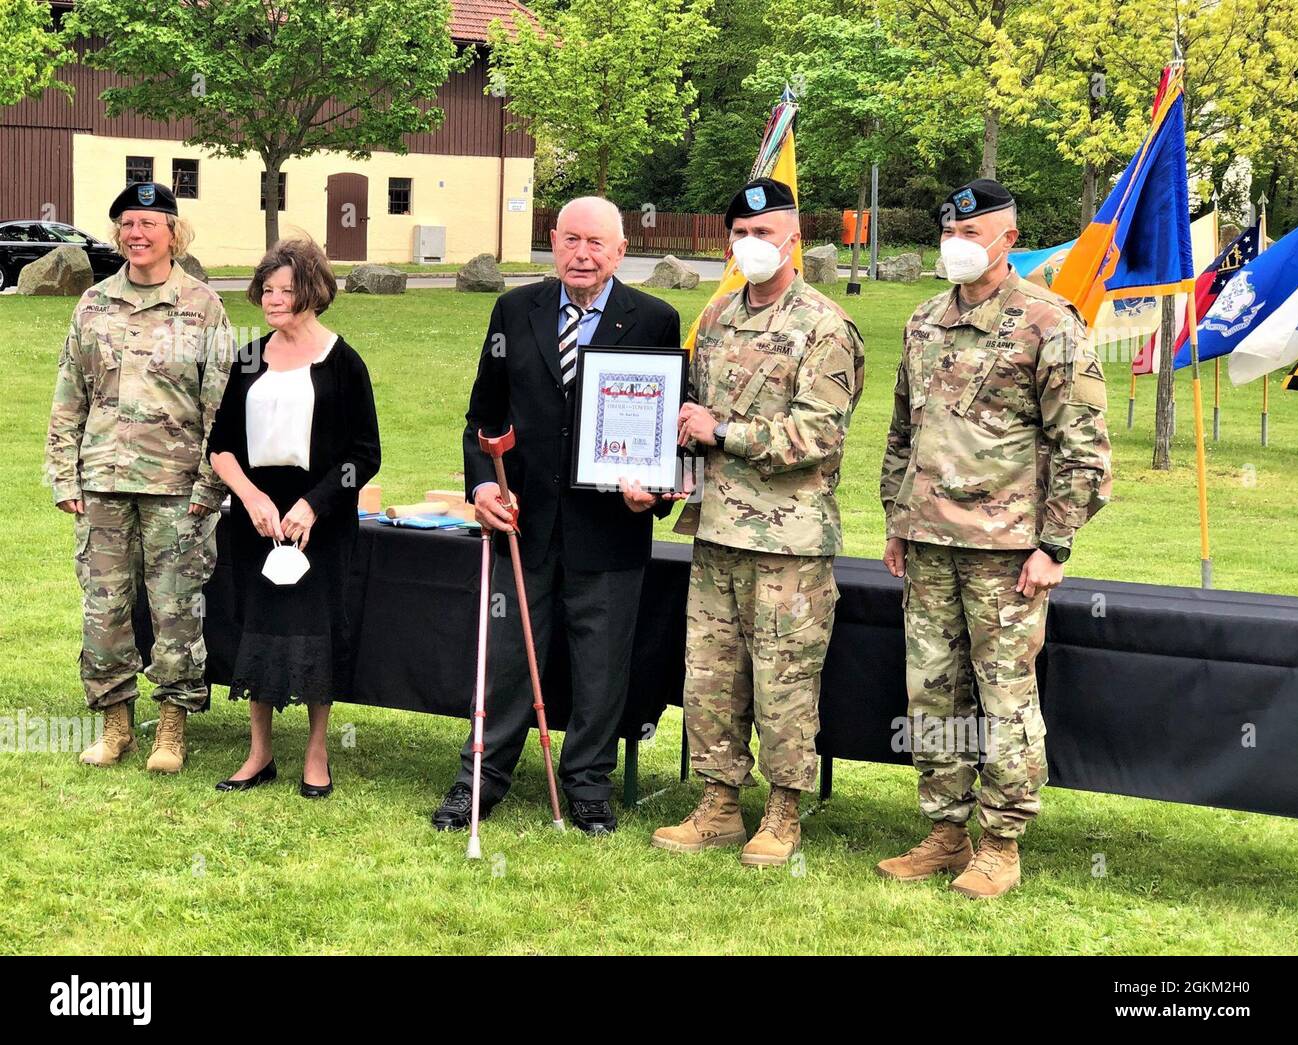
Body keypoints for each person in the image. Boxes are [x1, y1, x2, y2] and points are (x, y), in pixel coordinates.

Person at [876, 178, 1112, 898]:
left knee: (1004, 697)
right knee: (933, 694)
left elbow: (1085, 449)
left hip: (1007, 553)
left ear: (1009, 241)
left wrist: (1055, 545)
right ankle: (946, 830)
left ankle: (1001, 842)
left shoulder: (1049, 322)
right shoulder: (923, 321)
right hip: (926, 544)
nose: (957, 246)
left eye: (971, 235)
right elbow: (902, 431)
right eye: (950, 234)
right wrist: (896, 517)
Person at [431, 196, 681, 835]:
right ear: (553, 241)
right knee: (509, 656)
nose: (583, 254)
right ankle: (480, 779)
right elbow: (482, 417)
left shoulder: (655, 318)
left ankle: (589, 786)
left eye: (597, 243)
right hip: (522, 523)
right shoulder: (516, 309)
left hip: (610, 529)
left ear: (621, 251)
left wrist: (650, 490)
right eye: (571, 240)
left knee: (601, 665)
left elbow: (666, 428)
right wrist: (483, 485)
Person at [651, 178, 865, 867]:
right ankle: (718, 801)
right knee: (710, 675)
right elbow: (689, 418)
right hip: (715, 530)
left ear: (793, 239)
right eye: (741, 234)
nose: (752, 245)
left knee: (784, 679)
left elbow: (817, 435)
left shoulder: (825, 326)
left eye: (765, 233)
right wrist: (667, 458)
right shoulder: (715, 319)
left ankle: (783, 809)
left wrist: (723, 432)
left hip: (789, 539)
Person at [47, 181, 234, 773]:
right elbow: (69, 395)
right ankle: (116, 725)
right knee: (105, 609)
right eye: (126, 224)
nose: (136, 234)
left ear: (173, 233)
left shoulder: (203, 307)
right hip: (101, 480)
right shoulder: (93, 303)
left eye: (149, 224)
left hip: (177, 487)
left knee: (177, 609)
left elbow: (221, 407)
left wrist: (211, 484)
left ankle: (172, 729)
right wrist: (64, 475)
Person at [206, 237, 380, 799]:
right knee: (256, 624)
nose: (273, 300)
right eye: (267, 291)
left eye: (286, 291)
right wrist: (252, 497)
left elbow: (365, 454)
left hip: (319, 520)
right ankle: (259, 754)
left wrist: (314, 504)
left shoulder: (343, 362)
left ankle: (316, 753)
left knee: (314, 632)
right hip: (255, 518)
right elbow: (220, 446)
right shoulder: (250, 356)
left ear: (313, 294)